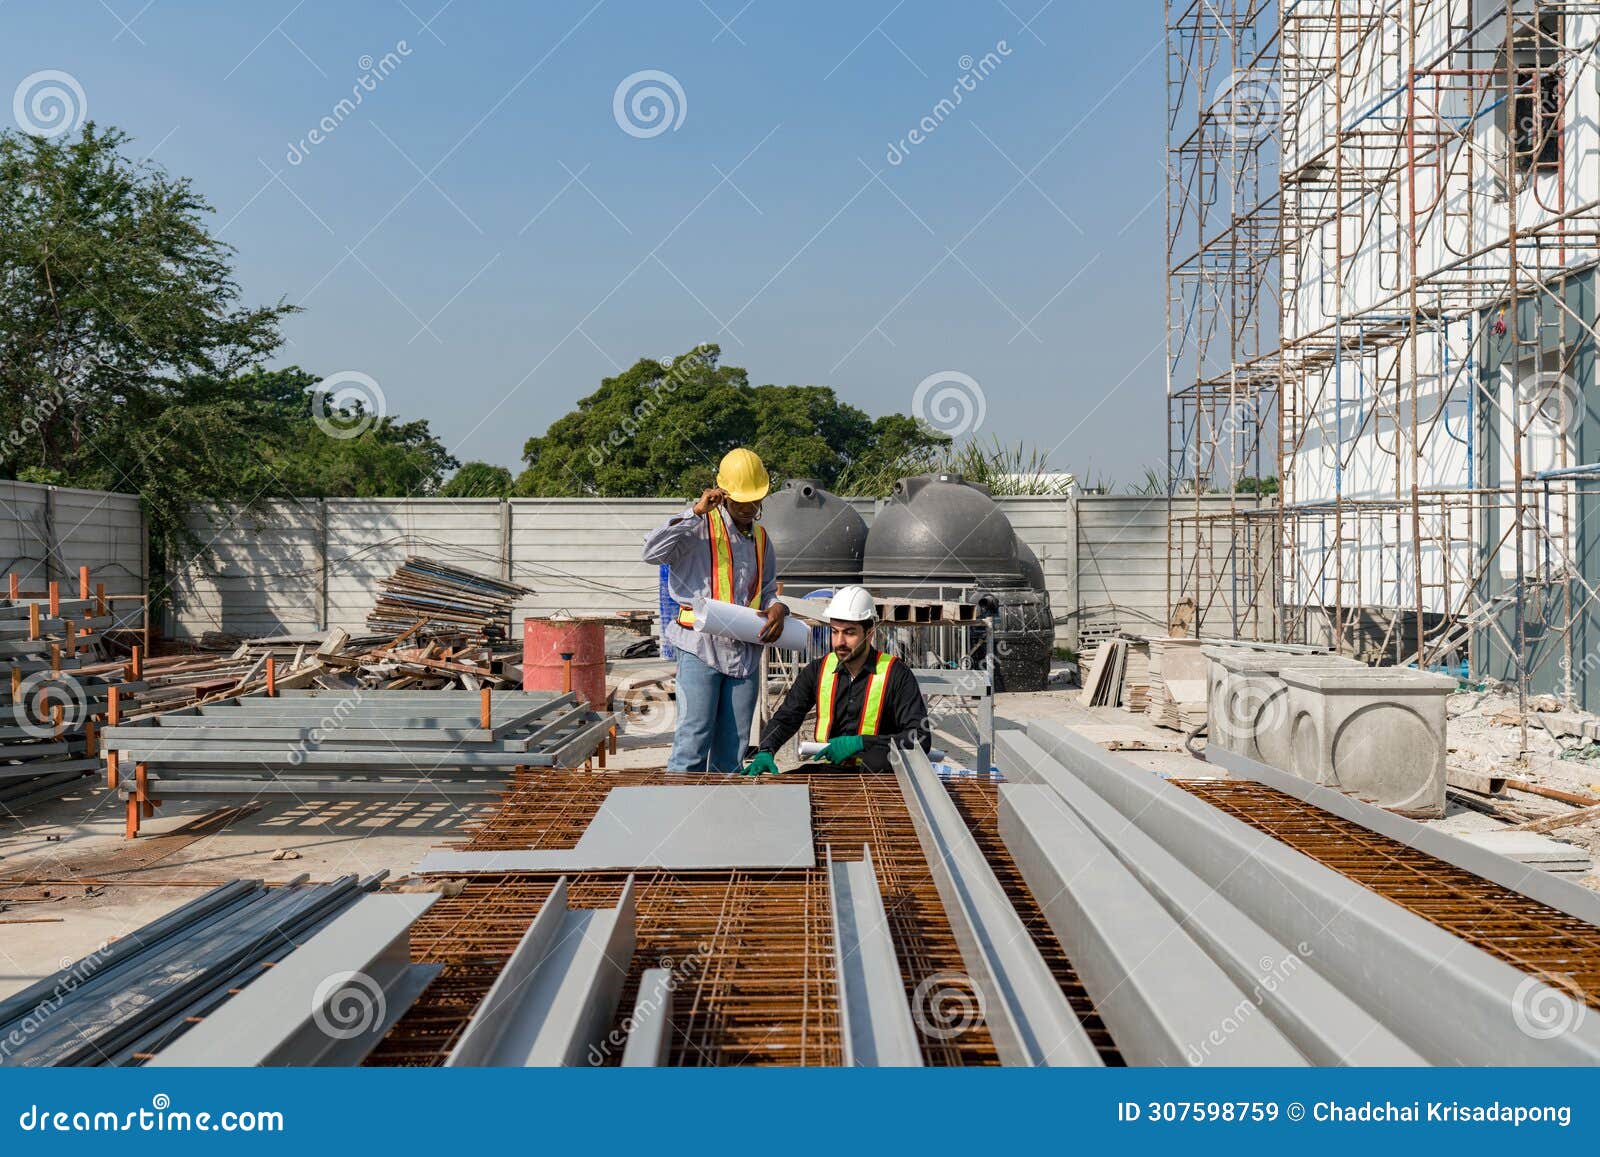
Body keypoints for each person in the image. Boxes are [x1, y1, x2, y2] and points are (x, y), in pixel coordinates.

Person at [642, 448, 789, 773]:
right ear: (723, 495)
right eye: (741, 502)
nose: (749, 509)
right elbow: (651, 552)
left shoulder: (761, 539)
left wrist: (777, 606)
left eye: (755, 502)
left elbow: (765, 591)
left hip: (744, 655)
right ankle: (679, 817)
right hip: (700, 648)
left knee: (731, 755)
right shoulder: (696, 528)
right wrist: (694, 512)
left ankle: (723, 819)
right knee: (692, 746)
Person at [742, 584, 929, 775]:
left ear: (869, 634)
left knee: (875, 765)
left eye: (849, 633)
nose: (839, 642)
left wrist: (862, 742)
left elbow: (920, 737)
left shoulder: (896, 674)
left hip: (878, 776)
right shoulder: (817, 670)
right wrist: (766, 749)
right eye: (834, 631)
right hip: (834, 771)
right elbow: (787, 717)